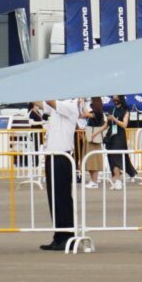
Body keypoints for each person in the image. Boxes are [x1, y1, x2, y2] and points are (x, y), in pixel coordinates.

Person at [32, 96, 84, 251]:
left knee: (62, 198)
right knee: (54, 198)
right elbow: (39, 102)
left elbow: (49, 101)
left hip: (62, 157)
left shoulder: (70, 106)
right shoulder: (56, 107)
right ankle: (59, 235)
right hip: (52, 155)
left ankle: (68, 235)